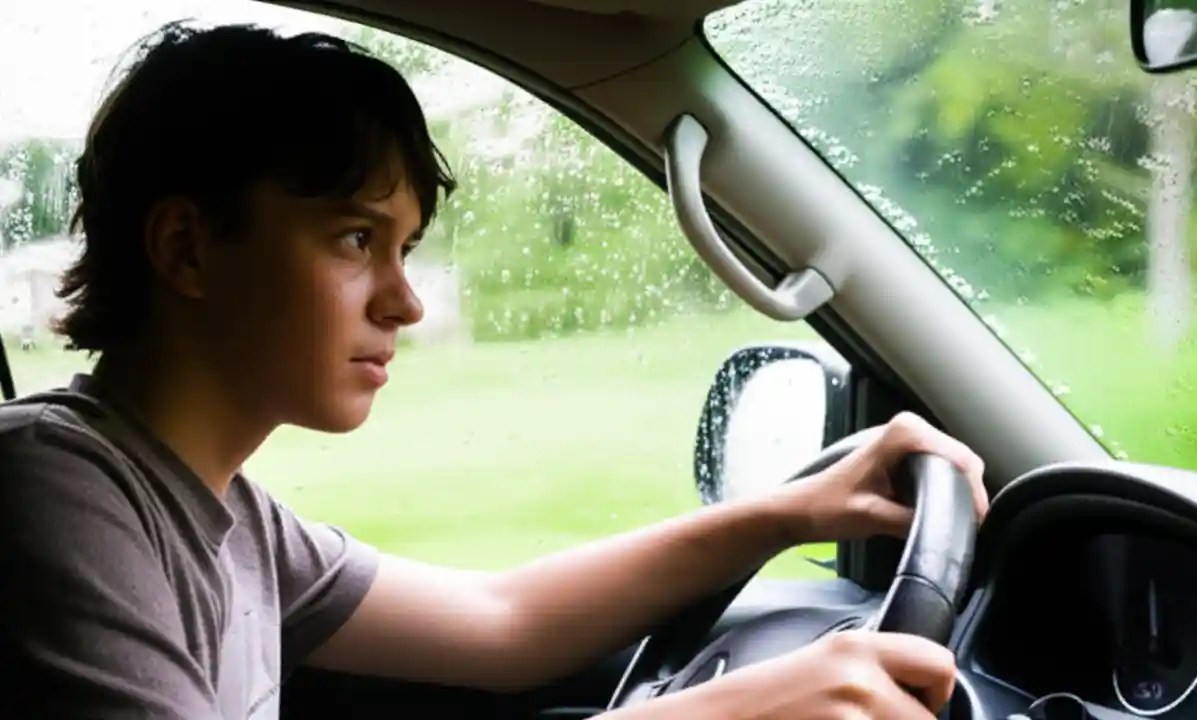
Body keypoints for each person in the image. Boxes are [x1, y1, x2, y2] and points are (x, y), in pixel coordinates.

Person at [0, 21, 989, 720]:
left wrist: (791, 510)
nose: (406, 303)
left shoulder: (226, 517)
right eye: (355, 238)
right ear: (187, 247)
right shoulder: (55, 493)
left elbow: (502, 623)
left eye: (404, 248)